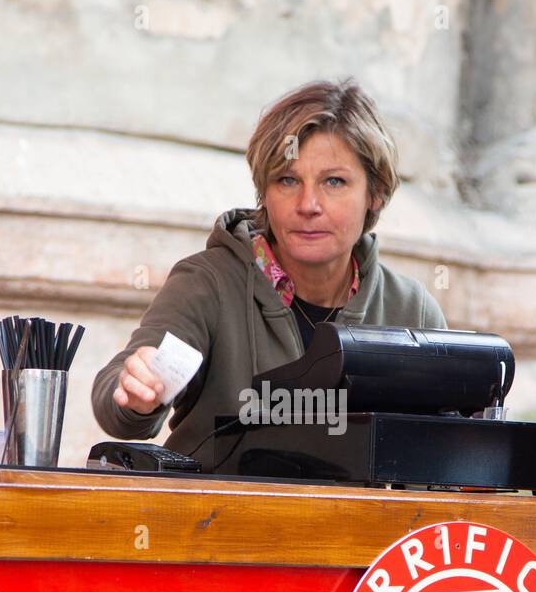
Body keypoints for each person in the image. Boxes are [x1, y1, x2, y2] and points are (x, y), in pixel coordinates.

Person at [90, 77, 447, 468]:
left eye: (334, 181)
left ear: (375, 194)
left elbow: (450, 454)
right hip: (219, 524)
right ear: (264, 191)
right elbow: (116, 401)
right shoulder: (207, 283)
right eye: (288, 180)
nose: (308, 204)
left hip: (363, 528)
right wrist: (137, 394)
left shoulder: (413, 310)